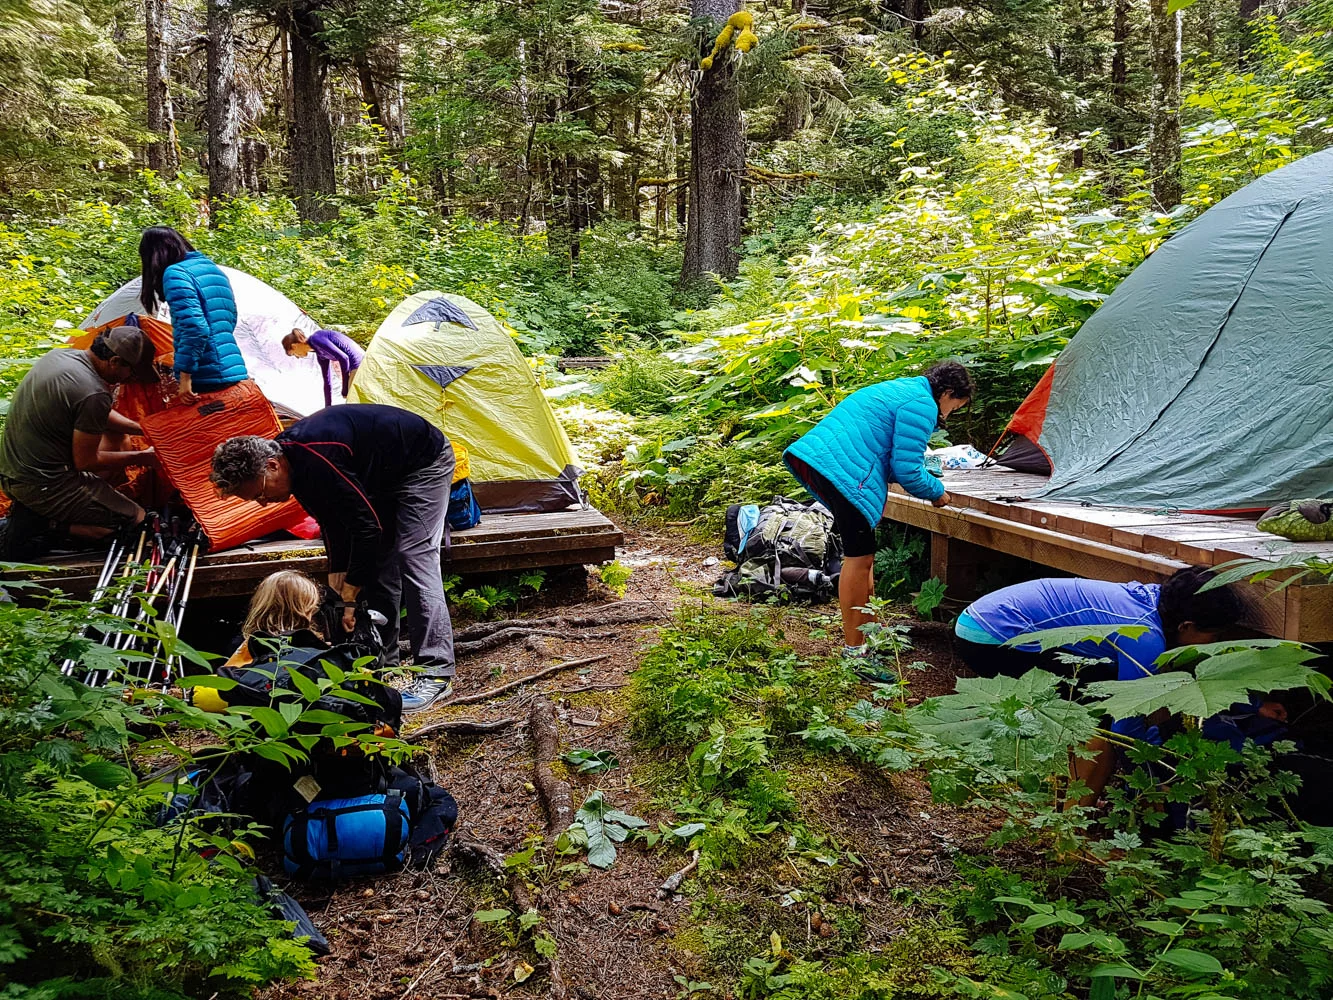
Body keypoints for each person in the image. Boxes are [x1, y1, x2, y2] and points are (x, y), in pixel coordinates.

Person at [209, 403, 456, 713]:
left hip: (422, 462)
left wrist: (352, 585)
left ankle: (435, 671)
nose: (262, 503)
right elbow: (333, 521)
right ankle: (381, 665)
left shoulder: (316, 455)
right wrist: (338, 572)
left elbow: (366, 528)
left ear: (272, 465)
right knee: (378, 565)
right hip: (379, 475)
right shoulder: (296, 469)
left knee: (413, 556)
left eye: (259, 492)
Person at [954, 566, 1250, 799]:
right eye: (1214, 636)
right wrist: (1153, 776)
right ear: (1186, 626)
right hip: (991, 639)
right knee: (1105, 722)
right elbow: (1126, 726)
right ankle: (1072, 822)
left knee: (1105, 688)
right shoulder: (1145, 637)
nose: (1215, 643)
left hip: (983, 617)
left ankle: (1061, 774)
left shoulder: (1152, 600)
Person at [784, 360, 973, 663]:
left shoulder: (906, 388)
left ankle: (866, 634)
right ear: (948, 392)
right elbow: (907, 470)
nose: (950, 414)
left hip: (828, 463)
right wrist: (938, 493)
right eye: (955, 405)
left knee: (865, 557)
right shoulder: (923, 403)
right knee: (859, 559)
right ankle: (855, 651)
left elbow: (889, 455)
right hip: (845, 472)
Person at [0, 328, 160, 560]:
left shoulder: (60, 357)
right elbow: (87, 461)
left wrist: (141, 428)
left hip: (13, 471)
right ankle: (47, 524)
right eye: (131, 373)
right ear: (114, 361)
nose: (129, 379)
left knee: (116, 445)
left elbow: (91, 413)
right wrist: (143, 457)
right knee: (138, 520)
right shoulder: (93, 392)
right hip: (44, 484)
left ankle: (46, 517)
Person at [138, 226, 248, 404]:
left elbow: (195, 328)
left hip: (206, 376)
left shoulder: (175, 273)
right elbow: (230, 317)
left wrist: (185, 378)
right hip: (232, 368)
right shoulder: (210, 268)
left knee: (201, 431)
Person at [282, 327, 364, 409]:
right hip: (355, 366)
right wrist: (327, 407)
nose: (297, 357)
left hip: (360, 362)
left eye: (294, 354)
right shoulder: (320, 355)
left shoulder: (316, 338)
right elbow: (327, 382)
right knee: (351, 404)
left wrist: (345, 389)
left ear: (294, 346)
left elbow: (344, 358)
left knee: (352, 403)